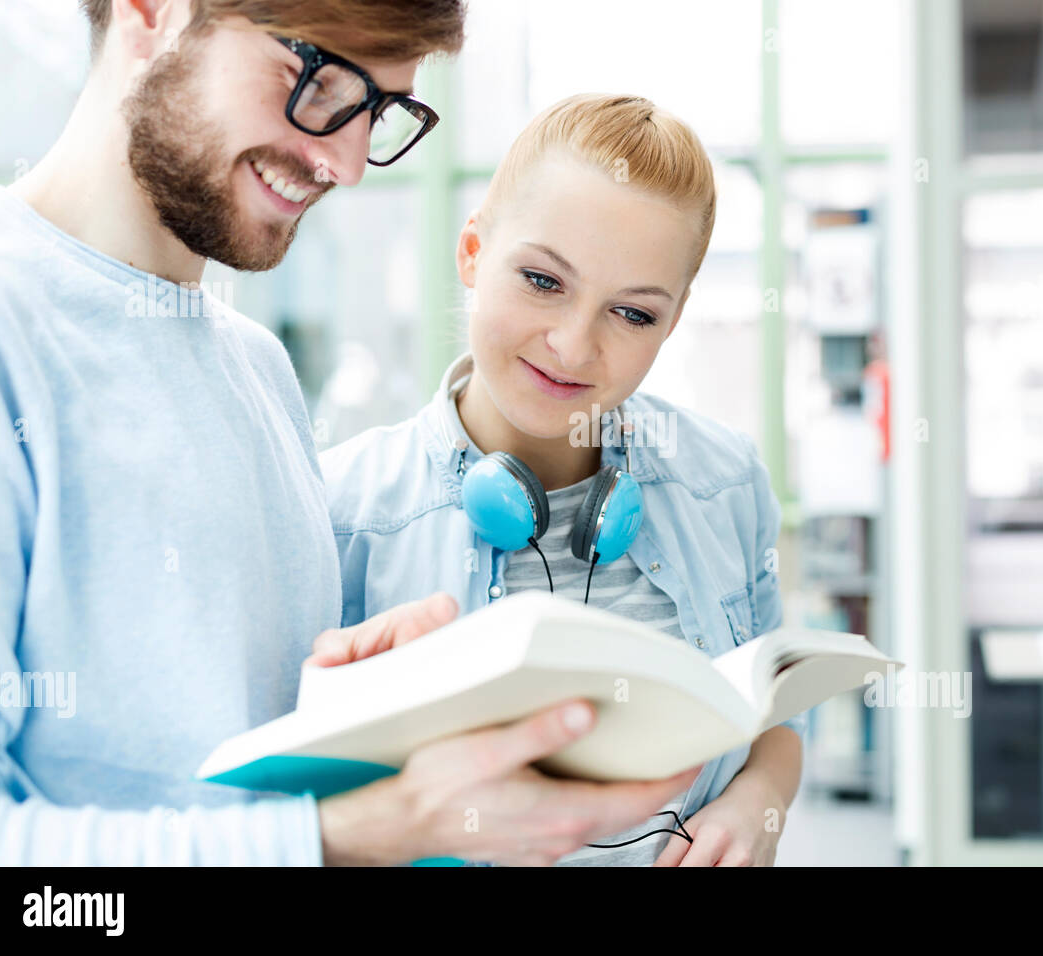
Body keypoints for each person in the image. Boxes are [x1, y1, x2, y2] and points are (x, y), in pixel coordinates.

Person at [0, 0, 697, 867]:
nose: (348, 162)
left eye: (379, 112)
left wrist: (351, 727)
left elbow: (190, 774)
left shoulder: (258, 369)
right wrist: (354, 834)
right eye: (316, 77)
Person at [320, 94, 804, 866]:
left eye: (633, 314)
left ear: (673, 320)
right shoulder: (344, 511)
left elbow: (777, 715)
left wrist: (758, 805)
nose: (574, 347)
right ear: (473, 251)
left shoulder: (725, 482)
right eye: (544, 281)